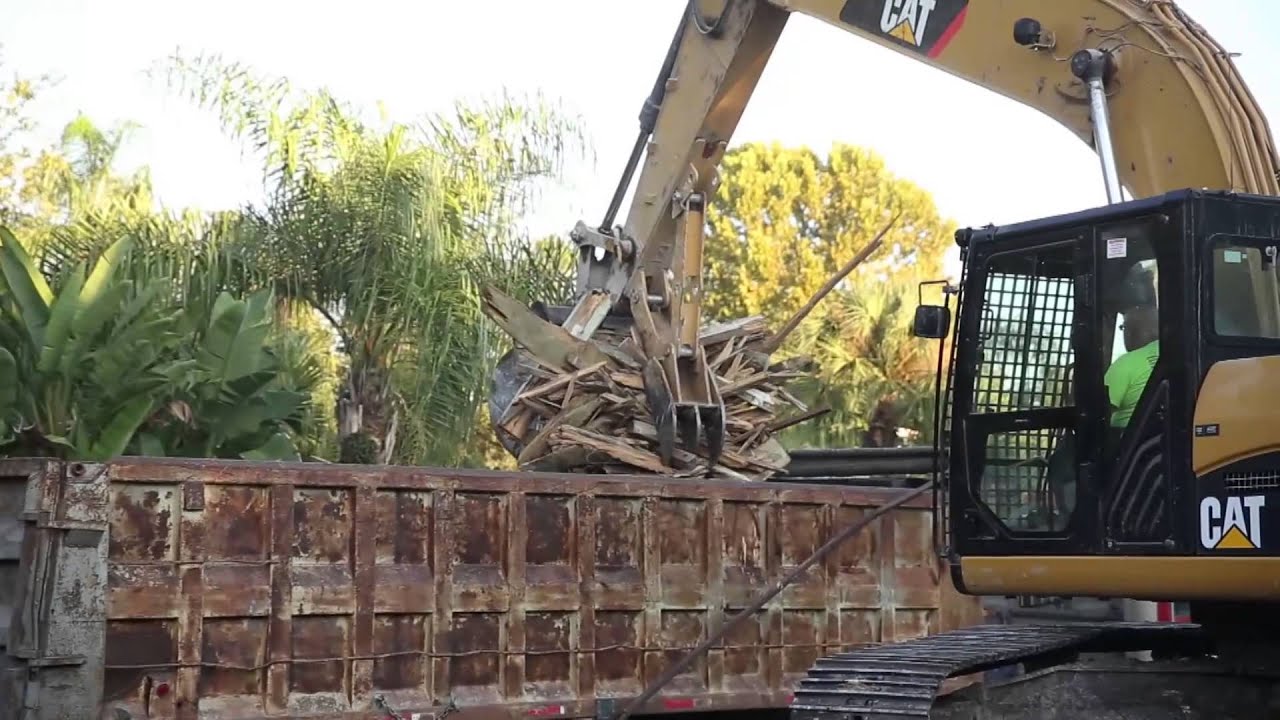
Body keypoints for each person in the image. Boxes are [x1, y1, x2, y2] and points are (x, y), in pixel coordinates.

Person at [1105, 301, 1160, 430]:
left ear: (1131, 331)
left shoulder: (1127, 363)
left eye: (1123, 327)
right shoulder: (1178, 357)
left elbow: (1098, 413)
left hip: (1128, 441)